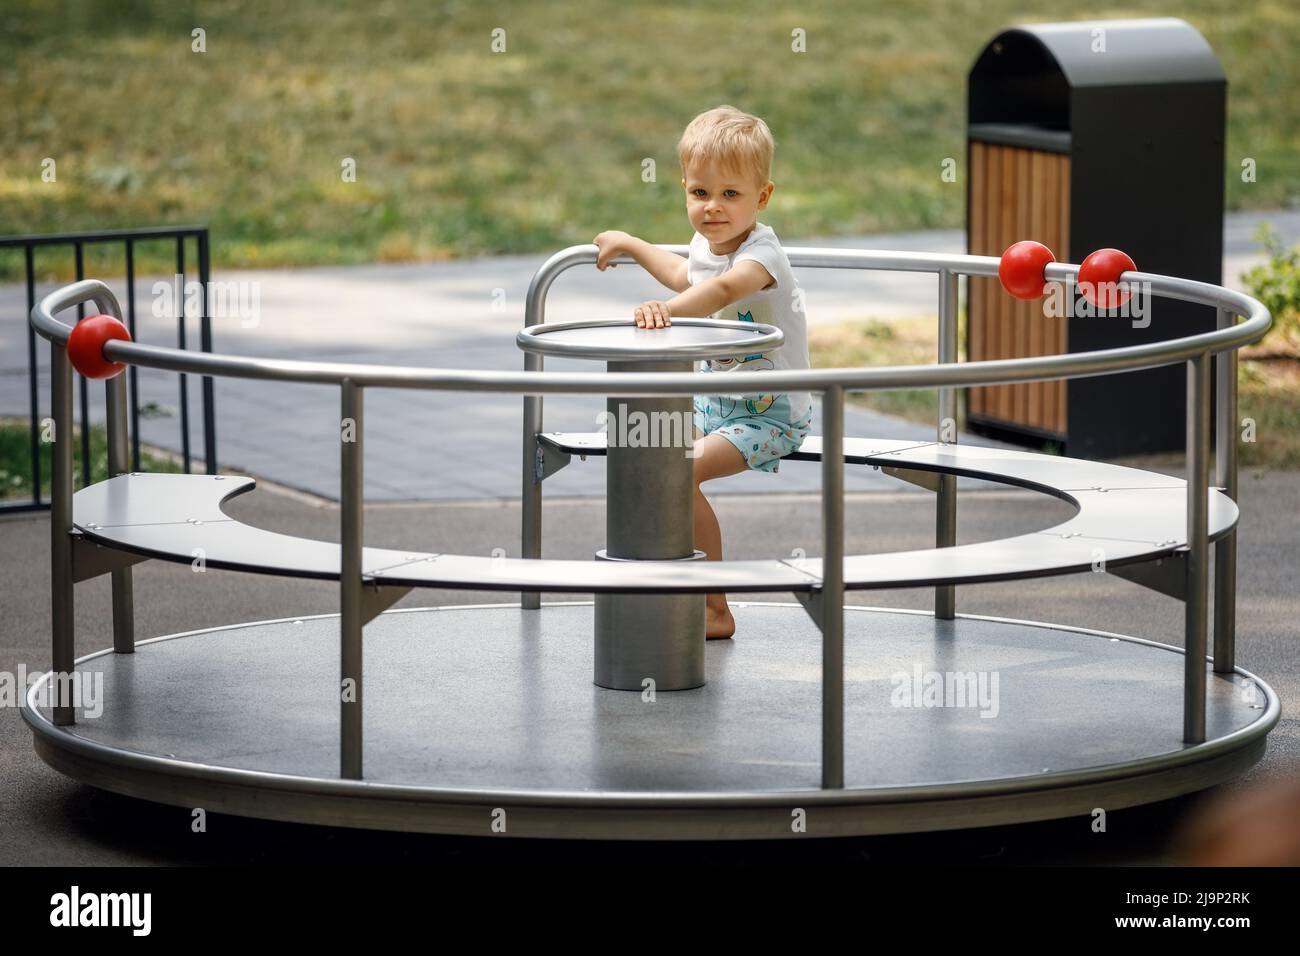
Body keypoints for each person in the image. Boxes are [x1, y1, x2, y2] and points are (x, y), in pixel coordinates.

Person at [592, 104, 813, 640]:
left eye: (730, 194)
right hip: (713, 404)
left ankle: (714, 606)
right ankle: (660, 581)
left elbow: (719, 291)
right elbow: (683, 273)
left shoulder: (763, 257)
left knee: (676, 470)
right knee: (642, 449)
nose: (712, 207)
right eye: (699, 193)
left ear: (762, 198)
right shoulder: (705, 245)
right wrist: (630, 242)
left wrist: (668, 311)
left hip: (770, 413)